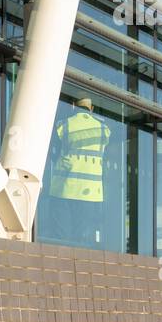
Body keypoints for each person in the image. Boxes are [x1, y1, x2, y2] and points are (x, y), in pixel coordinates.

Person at [44, 98, 111, 244]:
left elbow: (52, 151)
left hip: (64, 189)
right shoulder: (103, 130)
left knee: (60, 236)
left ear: (73, 106)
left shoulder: (64, 125)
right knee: (81, 238)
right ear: (91, 108)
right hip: (91, 193)